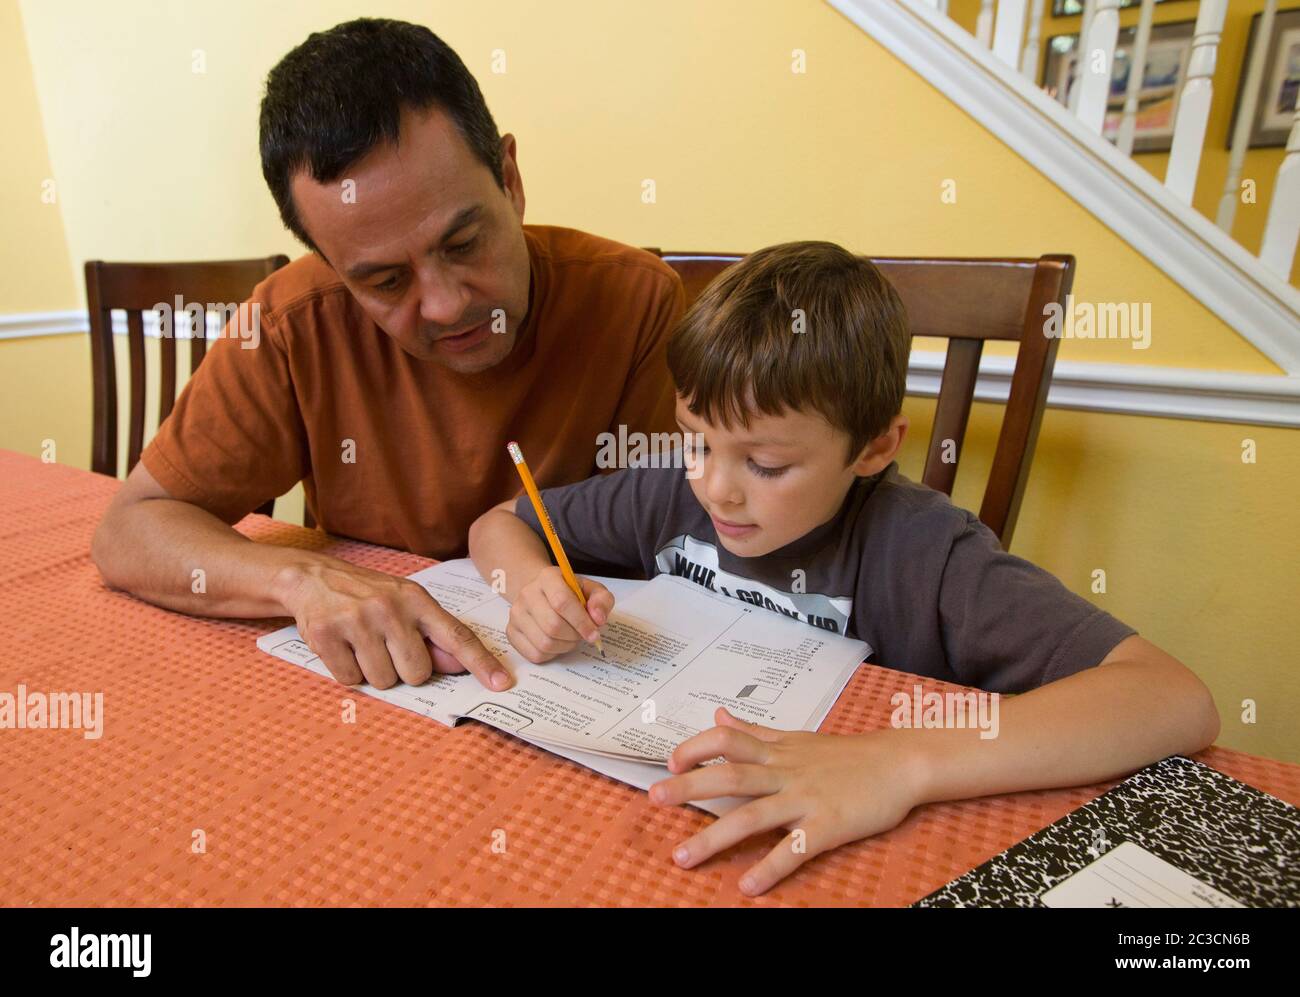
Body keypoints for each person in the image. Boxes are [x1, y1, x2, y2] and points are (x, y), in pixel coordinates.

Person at [468, 240, 1220, 895]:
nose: (714, 486)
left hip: (848, 837)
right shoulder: (668, 489)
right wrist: (529, 585)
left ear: (874, 448)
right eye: (695, 438)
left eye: (766, 464)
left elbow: (1173, 698)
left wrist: (899, 763)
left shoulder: (923, 552)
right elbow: (500, 523)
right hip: (647, 805)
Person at [92, 19, 684, 694]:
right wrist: (302, 581)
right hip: (379, 688)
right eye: (385, 281)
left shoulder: (636, 302)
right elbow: (129, 530)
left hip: (581, 678)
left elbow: (681, 546)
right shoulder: (291, 322)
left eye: (463, 244)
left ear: (510, 180)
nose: (445, 305)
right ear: (330, 264)